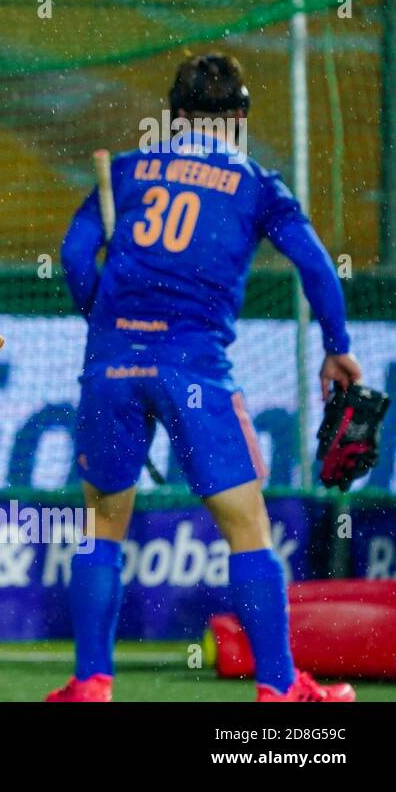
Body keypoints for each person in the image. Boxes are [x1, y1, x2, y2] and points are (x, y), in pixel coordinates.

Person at [53, 52, 361, 702]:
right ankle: (280, 688)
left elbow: (76, 254)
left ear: (175, 114)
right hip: (193, 366)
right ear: (240, 117)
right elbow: (315, 267)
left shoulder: (132, 169)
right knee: (246, 528)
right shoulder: (258, 185)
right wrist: (337, 347)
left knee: (102, 526)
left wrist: (103, 316)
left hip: (112, 362)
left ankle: (90, 684)